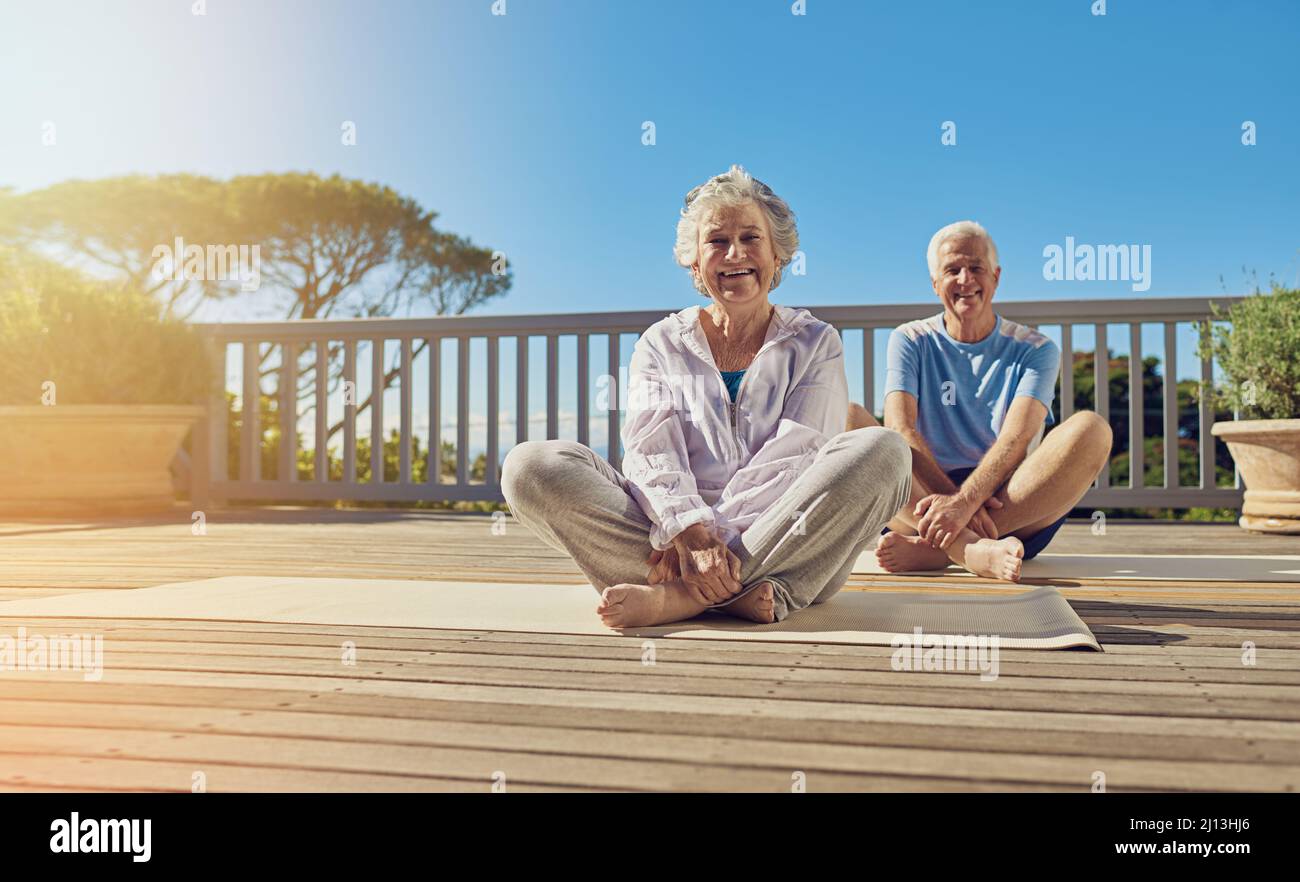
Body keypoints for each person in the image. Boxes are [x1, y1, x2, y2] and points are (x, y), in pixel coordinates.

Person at [501, 165, 912, 628]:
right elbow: (650, 451)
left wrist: (718, 548)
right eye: (717, 241)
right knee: (529, 467)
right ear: (695, 262)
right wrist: (691, 535)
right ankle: (746, 589)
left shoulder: (816, 341)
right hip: (677, 537)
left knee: (885, 450)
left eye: (751, 238)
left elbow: (796, 455)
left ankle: (681, 598)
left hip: (778, 530)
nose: (735, 253)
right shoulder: (660, 342)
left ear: (778, 255)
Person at [851, 220, 1112, 581]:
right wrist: (953, 508)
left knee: (1092, 429)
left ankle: (939, 550)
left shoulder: (1036, 349)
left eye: (976, 268)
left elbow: (1016, 440)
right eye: (952, 270)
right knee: (846, 417)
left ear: (996, 276)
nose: (965, 279)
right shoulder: (910, 339)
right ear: (935, 283)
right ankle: (969, 549)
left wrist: (963, 506)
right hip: (919, 501)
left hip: (1010, 507)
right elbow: (901, 427)